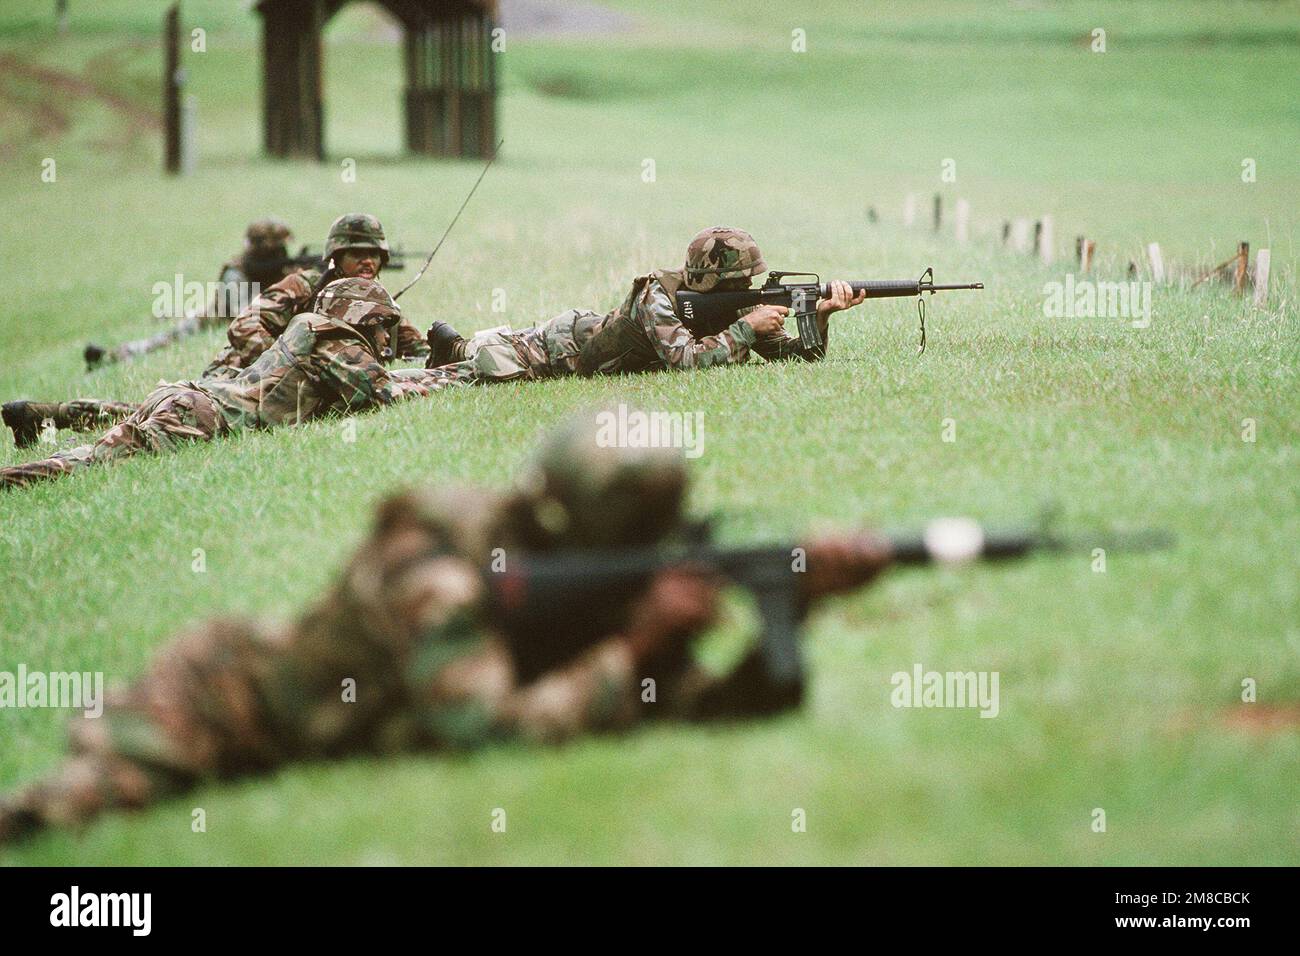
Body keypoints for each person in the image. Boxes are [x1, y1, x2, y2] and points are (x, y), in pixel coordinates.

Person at [0, 411, 892, 843]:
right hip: (229, 701)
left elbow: (703, 711)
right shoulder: (438, 566)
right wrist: (635, 646)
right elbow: (479, 732)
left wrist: (796, 603)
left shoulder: (576, 585)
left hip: (341, 730)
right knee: (61, 817)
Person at [4, 214, 431, 450]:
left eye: (375, 256)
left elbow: (415, 348)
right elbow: (244, 322)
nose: (369, 263)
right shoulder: (304, 282)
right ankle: (50, 419)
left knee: (154, 417)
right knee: (160, 421)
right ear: (337, 256)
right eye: (359, 254)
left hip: (277, 385)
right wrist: (275, 363)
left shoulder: (366, 300)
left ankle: (45, 417)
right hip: (241, 374)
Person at [0, 279, 467, 491]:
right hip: (199, 414)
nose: (387, 336)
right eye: (383, 325)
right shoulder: (336, 345)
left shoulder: (310, 329)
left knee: (104, 446)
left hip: (192, 399)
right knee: (95, 460)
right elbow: (383, 394)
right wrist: (454, 373)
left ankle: (39, 419)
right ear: (361, 317)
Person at [423, 226, 867, 381]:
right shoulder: (657, 296)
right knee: (484, 362)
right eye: (739, 280)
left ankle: (458, 344)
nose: (748, 287)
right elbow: (684, 362)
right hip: (562, 347)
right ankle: (454, 343)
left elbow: (794, 358)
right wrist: (747, 328)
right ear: (712, 278)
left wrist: (821, 317)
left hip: (595, 341)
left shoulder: (729, 304)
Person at [83, 219, 300, 370]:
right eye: (276, 250)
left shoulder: (276, 269)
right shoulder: (235, 273)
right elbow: (245, 315)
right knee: (164, 340)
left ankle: (167, 315)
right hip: (211, 318)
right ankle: (109, 356)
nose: (282, 255)